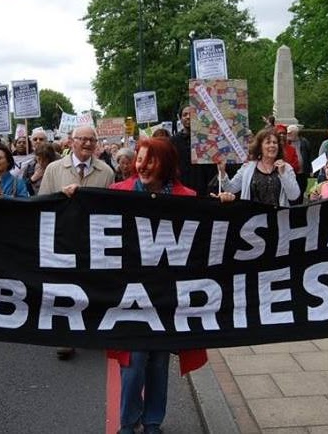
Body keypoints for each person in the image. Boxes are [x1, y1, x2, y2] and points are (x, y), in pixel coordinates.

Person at [106, 138, 207, 434]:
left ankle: (152, 422)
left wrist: (223, 204)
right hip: (130, 296)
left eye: (150, 160)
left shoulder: (186, 197)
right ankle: (128, 422)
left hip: (166, 298)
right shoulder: (116, 193)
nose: (142, 166)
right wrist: (75, 197)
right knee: (134, 361)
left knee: (158, 363)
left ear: (165, 164)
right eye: (139, 159)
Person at [38, 124, 114, 359]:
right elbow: (43, 203)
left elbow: (110, 209)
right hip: (63, 237)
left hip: (93, 239)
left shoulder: (106, 172)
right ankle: (64, 336)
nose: (87, 144)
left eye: (92, 140)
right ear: (72, 142)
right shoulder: (53, 169)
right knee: (63, 286)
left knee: (90, 284)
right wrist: (63, 197)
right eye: (82, 139)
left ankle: (91, 330)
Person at [214, 128, 301, 206]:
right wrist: (222, 172)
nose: (272, 145)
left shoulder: (286, 168)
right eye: (268, 142)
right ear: (260, 147)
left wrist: (283, 174)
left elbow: (294, 196)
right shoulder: (247, 167)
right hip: (253, 220)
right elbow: (231, 188)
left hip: (278, 220)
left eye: (275, 142)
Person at [170, 105, 217, 196]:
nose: (188, 117)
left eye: (191, 114)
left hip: (202, 189)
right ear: (180, 118)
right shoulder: (173, 141)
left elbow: (212, 168)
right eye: (185, 114)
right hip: (181, 189)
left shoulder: (206, 140)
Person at [286, 124, 312, 204]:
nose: (288, 134)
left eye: (290, 133)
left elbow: (308, 155)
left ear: (296, 133)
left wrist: (310, 169)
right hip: (291, 174)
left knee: (301, 191)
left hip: (302, 173)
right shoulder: (286, 143)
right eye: (288, 133)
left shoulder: (304, 142)